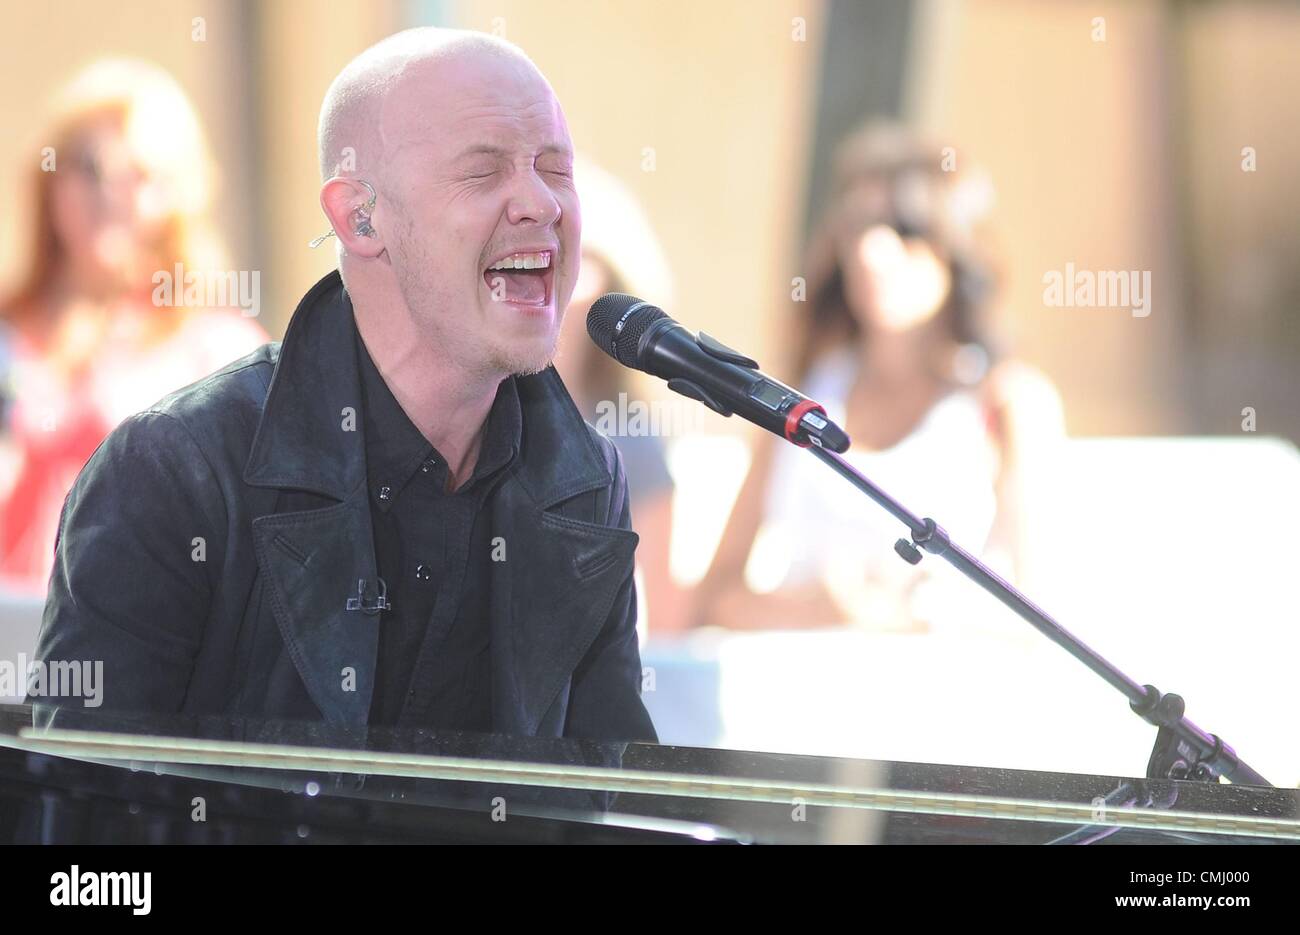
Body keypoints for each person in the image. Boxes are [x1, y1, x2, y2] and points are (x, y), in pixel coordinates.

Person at [30, 28, 657, 743]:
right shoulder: (174, 471)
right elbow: (78, 820)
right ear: (360, 217)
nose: (540, 204)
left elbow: (614, 800)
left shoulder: (582, 482)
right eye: (484, 172)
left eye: (556, 168)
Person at [694, 123, 1065, 632]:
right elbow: (712, 600)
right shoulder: (797, 396)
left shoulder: (1008, 401)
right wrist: (820, 612)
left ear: (953, 248)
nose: (873, 251)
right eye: (857, 228)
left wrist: (907, 619)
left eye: (903, 228)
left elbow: (1043, 619)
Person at [0, 59, 267, 593]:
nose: (110, 194)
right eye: (89, 167)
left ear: (179, 194)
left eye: (139, 174)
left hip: (148, 654)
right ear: (48, 184)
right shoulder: (9, 338)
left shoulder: (222, 356)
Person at [552, 159, 687, 636]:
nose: (561, 277)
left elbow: (664, 602)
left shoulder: (630, 433)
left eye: (583, 258)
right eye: (550, 251)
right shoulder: (475, 410)